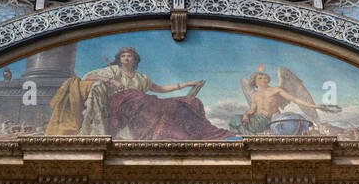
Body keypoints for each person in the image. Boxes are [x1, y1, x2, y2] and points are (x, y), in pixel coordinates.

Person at [48, 47, 233, 140]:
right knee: (144, 103)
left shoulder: (142, 77)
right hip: (122, 104)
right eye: (123, 56)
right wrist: (111, 80)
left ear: (135, 59)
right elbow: (88, 77)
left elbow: (159, 89)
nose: (127, 58)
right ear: (119, 59)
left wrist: (185, 84)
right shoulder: (112, 71)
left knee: (182, 103)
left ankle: (182, 133)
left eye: (130, 56)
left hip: (142, 101)